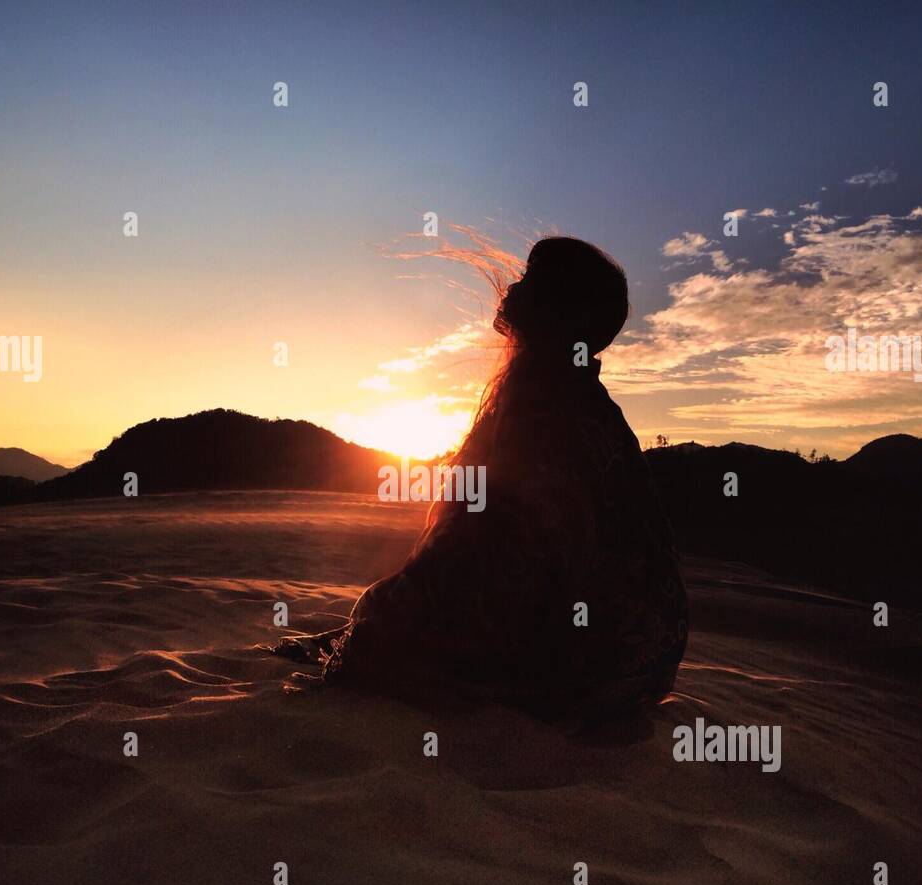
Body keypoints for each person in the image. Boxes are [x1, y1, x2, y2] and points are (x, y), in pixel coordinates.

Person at [282, 237, 687, 718]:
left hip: (598, 666)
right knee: (388, 607)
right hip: (640, 659)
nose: (514, 286)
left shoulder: (550, 407)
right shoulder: (566, 396)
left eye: (533, 278)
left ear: (558, 306)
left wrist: (398, 619)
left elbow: (510, 549)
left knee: (383, 611)